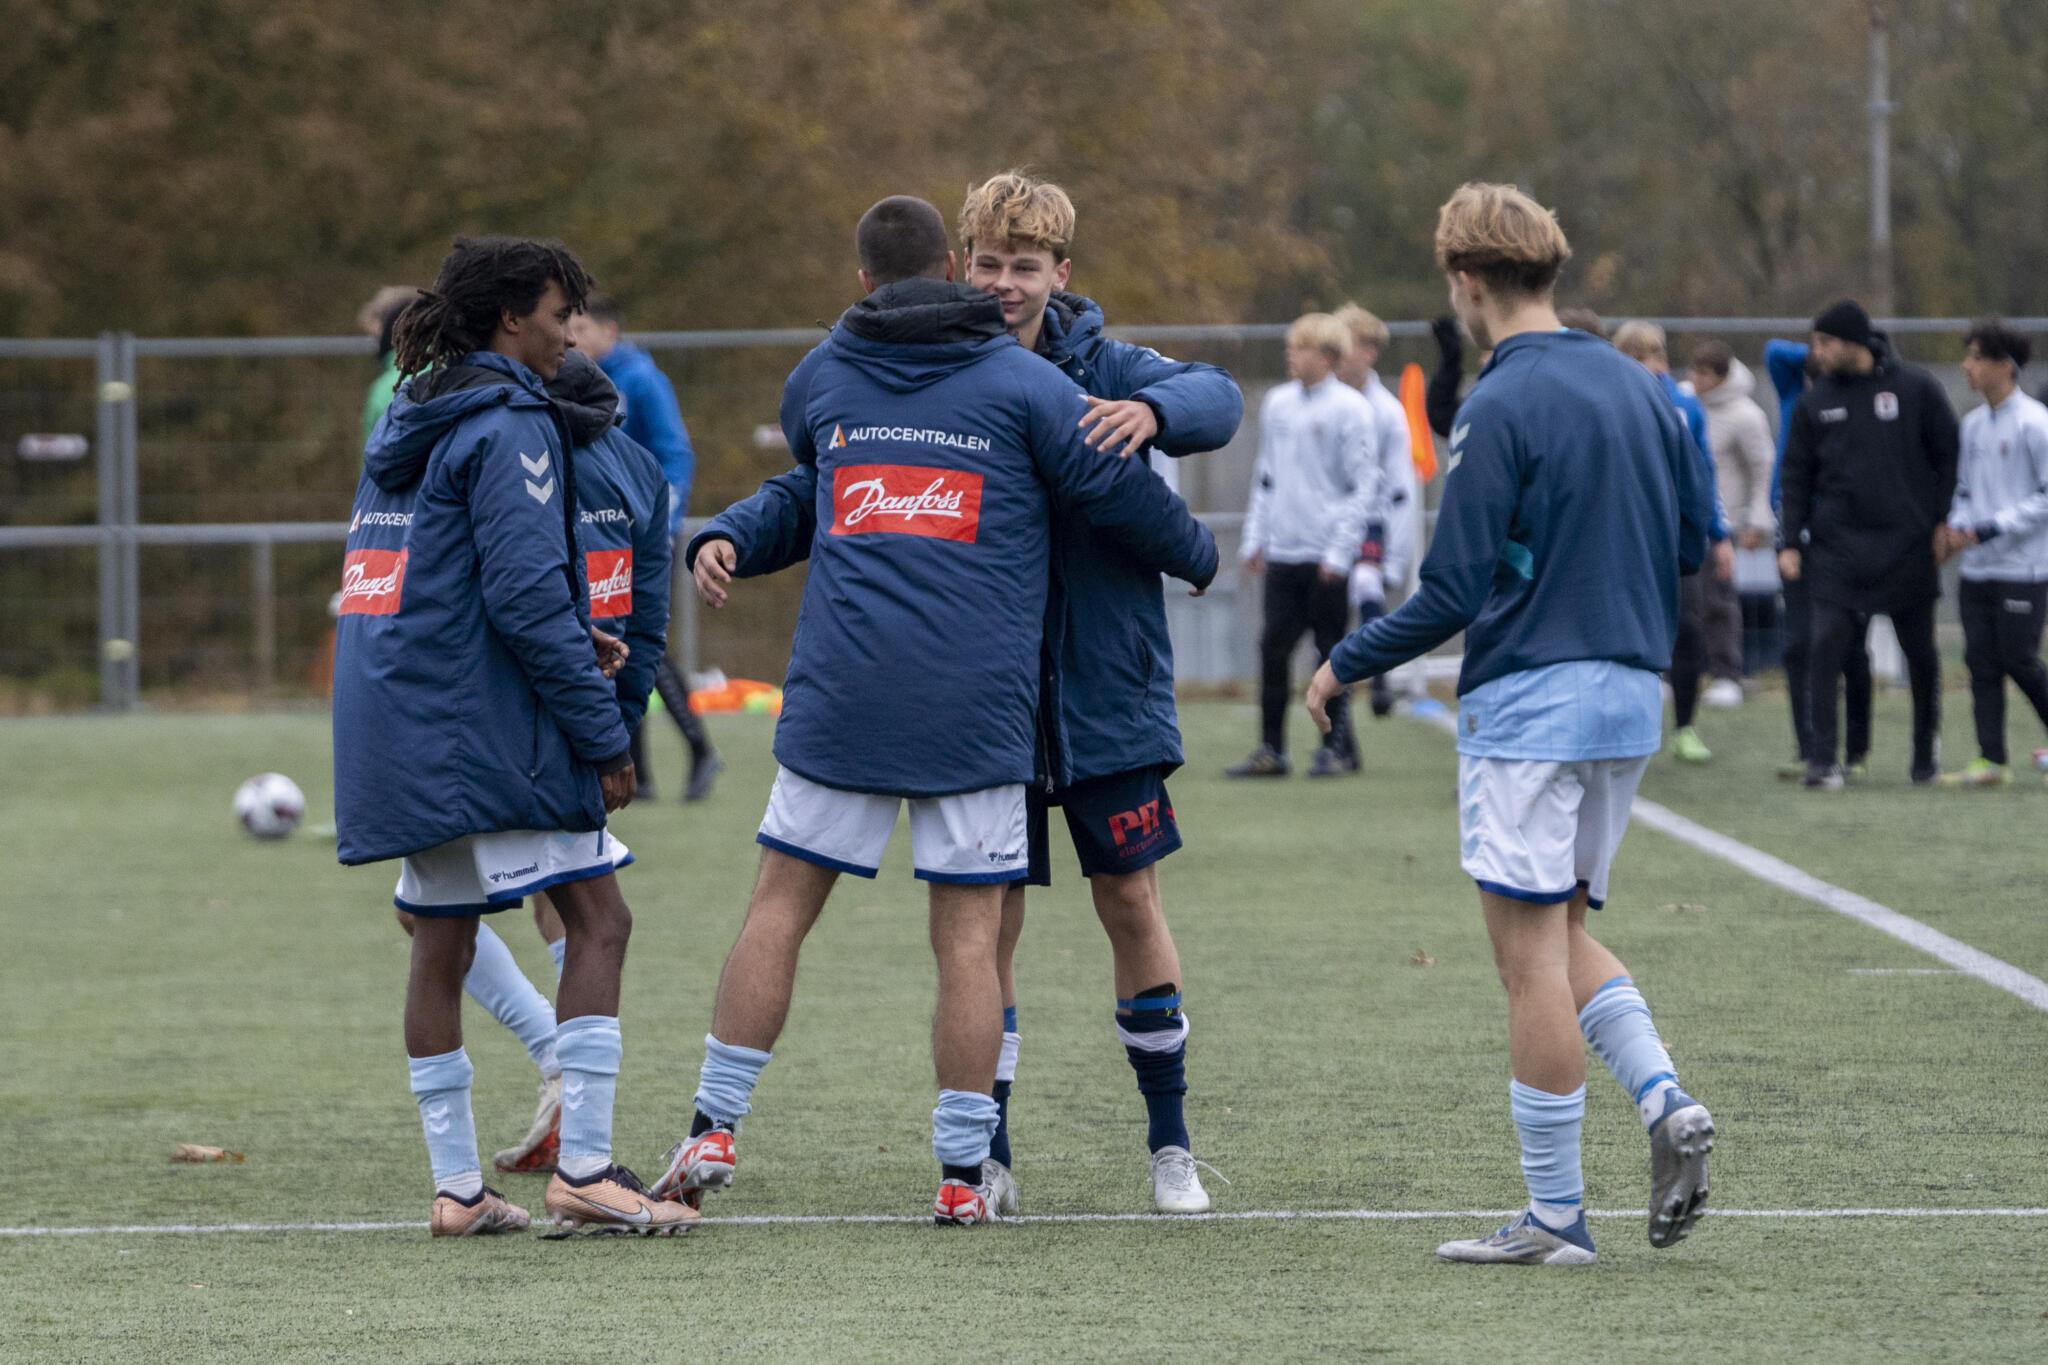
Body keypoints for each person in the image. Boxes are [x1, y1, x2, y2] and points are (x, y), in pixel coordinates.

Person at [653, 196, 1218, 1226]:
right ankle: (963, 1177)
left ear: (862, 280)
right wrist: (1195, 553)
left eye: (1025, 265)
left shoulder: (818, 377)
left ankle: (711, 1125)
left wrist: (723, 531)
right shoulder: (1026, 384)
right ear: (956, 266)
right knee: (967, 940)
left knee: (779, 905)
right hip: (978, 711)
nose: (1005, 282)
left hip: (843, 695)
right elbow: (1121, 498)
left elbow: (815, 481)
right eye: (990, 265)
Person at [1306, 182, 1719, 1266]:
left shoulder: (1495, 400)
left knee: (1525, 956)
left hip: (1532, 701)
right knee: (1567, 931)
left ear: (1463, 282)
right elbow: (1688, 546)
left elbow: (1448, 591)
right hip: (1631, 695)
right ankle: (1664, 1097)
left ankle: (1553, 1219)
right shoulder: (1643, 389)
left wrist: (1342, 663)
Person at [334, 235, 693, 1237]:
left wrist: (563, 634)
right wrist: (604, 737)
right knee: (600, 920)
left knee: (440, 934)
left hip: (394, 708)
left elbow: (434, 580)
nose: (568, 330)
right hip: (478, 721)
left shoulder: (413, 413)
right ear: (508, 320)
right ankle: (585, 1166)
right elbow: (528, 599)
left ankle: (456, 1190)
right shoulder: (513, 425)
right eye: (554, 311)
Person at [1780, 299, 1959, 789]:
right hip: (1838, 551)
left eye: (1825, 342)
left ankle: (1925, 755)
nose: (1816, 352)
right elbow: (1795, 476)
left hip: (1907, 546)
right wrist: (1790, 540)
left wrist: (1942, 519)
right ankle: (1823, 760)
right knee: (1825, 647)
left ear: (1854, 343)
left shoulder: (1915, 387)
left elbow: (1948, 455)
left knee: (1920, 654)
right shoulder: (1814, 402)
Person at [567, 294, 723, 802]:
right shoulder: (576, 383)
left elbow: (675, 455)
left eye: (583, 326)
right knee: (615, 636)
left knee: (637, 640)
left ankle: (700, 749)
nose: (574, 336)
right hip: (604, 534)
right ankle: (644, 775)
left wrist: (663, 523)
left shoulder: (642, 380)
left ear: (610, 330)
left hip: (643, 534)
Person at [1230, 313, 1379, 779]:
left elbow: (1362, 486)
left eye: (1302, 348)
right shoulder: (1277, 404)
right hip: (1285, 552)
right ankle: (1272, 749)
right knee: (1273, 648)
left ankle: (1335, 747)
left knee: (1331, 652)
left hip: (1325, 557)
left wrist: (1339, 551)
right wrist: (1257, 538)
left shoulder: (1351, 410)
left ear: (1328, 357)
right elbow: (1266, 475)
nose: (1290, 356)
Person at [1614, 321, 1733, 766]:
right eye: (1643, 356)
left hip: (1675, 541)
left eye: (1657, 354)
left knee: (1688, 630)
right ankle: (1625, 727)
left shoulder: (1684, 406)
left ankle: (1684, 726)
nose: (1655, 365)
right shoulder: (1609, 402)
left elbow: (1703, 473)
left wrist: (1718, 534)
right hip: (1625, 540)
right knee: (1627, 632)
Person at [1935, 321, 2048, 786]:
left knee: (2018, 657)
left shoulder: (2036, 422)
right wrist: (1959, 527)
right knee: (1980, 660)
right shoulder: (1973, 424)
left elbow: (2044, 497)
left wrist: (1991, 527)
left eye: (1976, 357)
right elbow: (1964, 489)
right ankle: (1991, 760)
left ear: (2005, 366)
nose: (1967, 366)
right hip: (1978, 568)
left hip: (2024, 565)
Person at [1766, 338, 1873, 779]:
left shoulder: (1852, 401)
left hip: (1839, 539)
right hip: (1792, 536)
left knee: (1847, 646)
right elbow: (1775, 351)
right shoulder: (1797, 394)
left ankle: (1855, 751)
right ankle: (1809, 745)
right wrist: (1821, 351)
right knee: (1796, 645)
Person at [1335, 304, 1421, 724]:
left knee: (1365, 583)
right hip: (1325, 522)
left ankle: (1379, 674)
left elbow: (1401, 487)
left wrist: (1395, 556)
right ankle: (1338, 708)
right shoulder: (1319, 402)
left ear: (1369, 352)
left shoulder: (1386, 412)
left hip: (1369, 521)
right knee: (1328, 609)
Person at [1689, 340, 1775, 706]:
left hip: (1726, 522)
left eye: (1703, 373)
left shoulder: (1746, 415)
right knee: (1683, 601)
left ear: (1721, 377)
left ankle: (1727, 675)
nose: (1695, 379)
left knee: (1718, 599)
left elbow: (1763, 469)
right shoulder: (1689, 404)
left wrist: (1757, 519)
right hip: (1689, 518)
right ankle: (1681, 673)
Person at [357, 285, 416, 442]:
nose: (375, 344)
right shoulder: (453, 367)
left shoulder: (387, 388)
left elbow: (373, 461)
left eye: (376, 335)